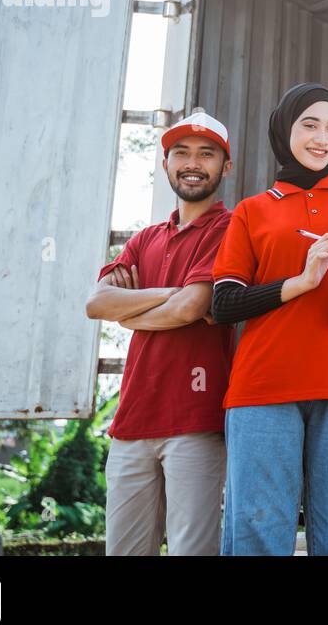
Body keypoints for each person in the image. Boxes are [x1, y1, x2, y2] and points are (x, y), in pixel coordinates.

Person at [210, 82, 328, 556]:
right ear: (284, 131)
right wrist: (299, 282)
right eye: (309, 125)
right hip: (263, 391)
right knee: (258, 533)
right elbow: (224, 305)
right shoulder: (251, 212)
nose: (322, 138)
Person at [84, 111, 234, 556]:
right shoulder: (144, 238)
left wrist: (132, 312)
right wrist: (170, 295)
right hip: (131, 423)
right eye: (181, 153)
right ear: (165, 163)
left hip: (195, 421)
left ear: (225, 166)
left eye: (206, 154)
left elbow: (194, 307)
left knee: (193, 551)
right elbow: (96, 304)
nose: (193, 163)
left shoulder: (230, 228)